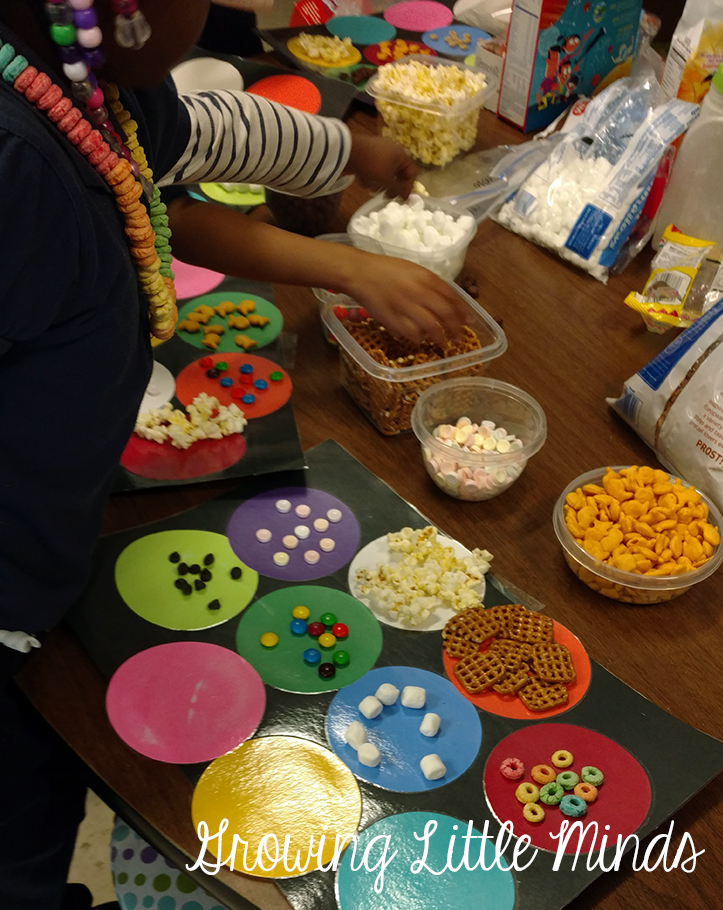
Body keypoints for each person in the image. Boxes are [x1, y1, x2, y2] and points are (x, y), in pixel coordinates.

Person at [0, 1, 468, 907]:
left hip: (51, 566)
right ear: (128, 10)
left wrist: (345, 158)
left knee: (50, 786)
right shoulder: (16, 168)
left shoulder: (89, 77)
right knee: (21, 834)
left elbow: (180, 153)